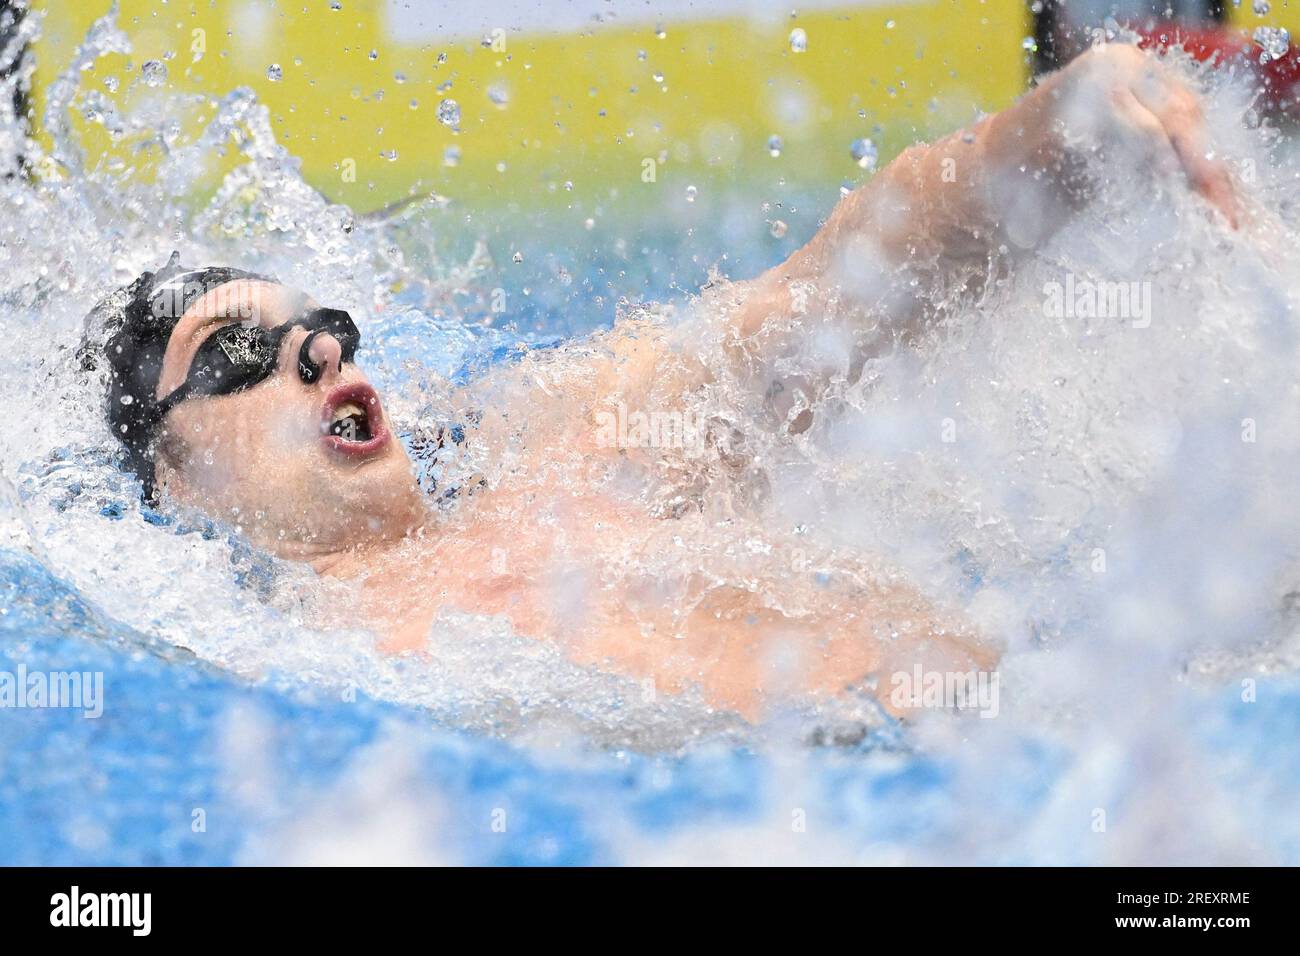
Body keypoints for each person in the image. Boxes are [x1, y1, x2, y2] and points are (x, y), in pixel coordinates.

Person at [80, 44, 1241, 719]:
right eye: (236, 352)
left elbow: (830, 297)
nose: (318, 351)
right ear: (174, 481)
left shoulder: (563, 449)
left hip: (1103, 711)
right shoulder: (277, 674)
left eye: (325, 324)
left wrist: (1048, 136)